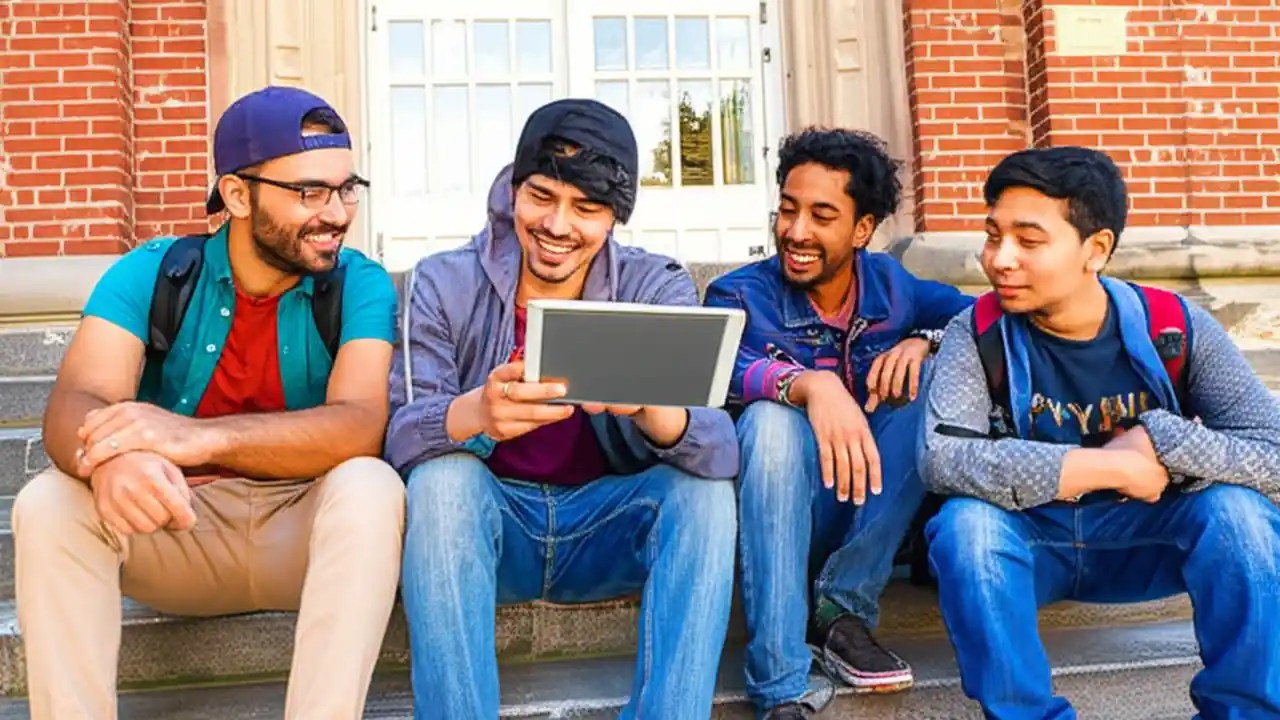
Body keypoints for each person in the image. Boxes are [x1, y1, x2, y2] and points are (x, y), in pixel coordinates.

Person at [12, 86, 405, 720]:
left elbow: (360, 425)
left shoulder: (358, 282)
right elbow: (73, 401)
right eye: (309, 192)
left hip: (300, 532)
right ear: (238, 195)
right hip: (173, 523)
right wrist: (108, 461)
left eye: (345, 188)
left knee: (372, 483)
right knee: (49, 500)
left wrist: (203, 438)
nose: (335, 212)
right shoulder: (156, 270)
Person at [385, 98, 740, 719]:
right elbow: (399, 438)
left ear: (614, 217)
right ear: (514, 189)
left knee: (703, 496)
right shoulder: (442, 281)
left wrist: (654, 412)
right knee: (441, 481)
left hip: (607, 525)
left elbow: (720, 447)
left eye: (587, 209)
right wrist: (476, 414)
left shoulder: (653, 286)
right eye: (541, 196)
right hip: (494, 528)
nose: (557, 225)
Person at [921, 145, 1280, 719]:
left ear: (1097, 249)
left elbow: (1274, 451)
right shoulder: (978, 330)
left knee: (1241, 516)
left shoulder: (1175, 326)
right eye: (993, 235)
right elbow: (943, 457)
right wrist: (1112, 466)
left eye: (1029, 240)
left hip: (1149, 537)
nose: (1000, 259)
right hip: (1032, 541)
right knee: (964, 528)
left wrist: (1159, 438)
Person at [703, 127, 974, 719]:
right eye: (788, 211)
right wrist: (807, 383)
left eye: (821, 215)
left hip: (868, 506)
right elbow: (715, 368)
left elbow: (979, 317)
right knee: (771, 423)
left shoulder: (891, 285)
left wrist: (923, 342)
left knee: (931, 380)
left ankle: (840, 609)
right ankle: (779, 683)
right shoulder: (739, 294)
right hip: (777, 512)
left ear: (861, 229)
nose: (796, 232)